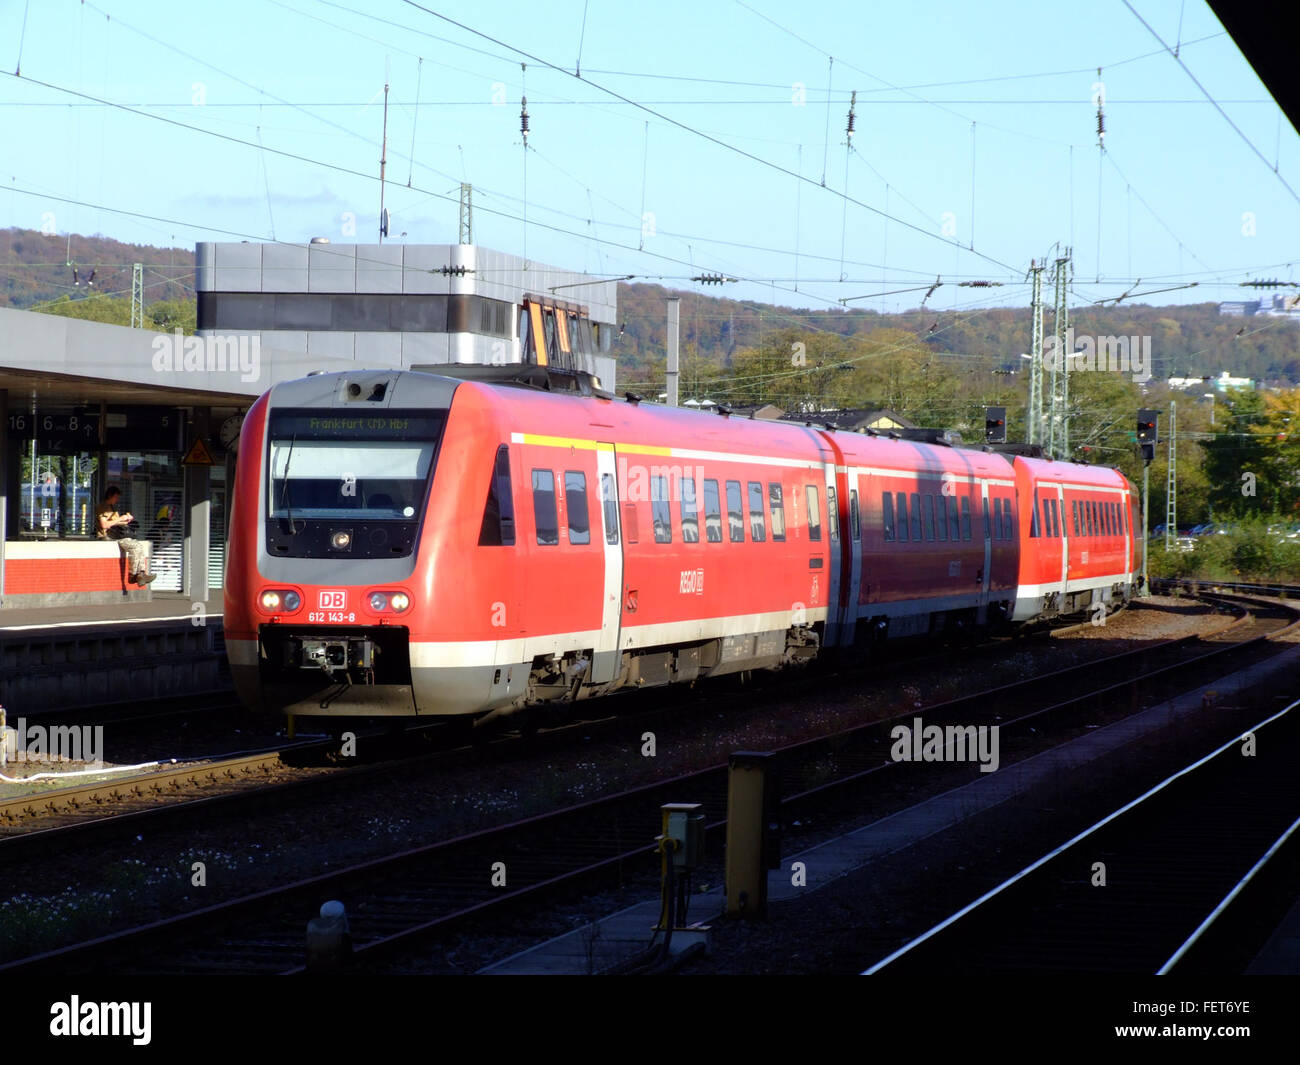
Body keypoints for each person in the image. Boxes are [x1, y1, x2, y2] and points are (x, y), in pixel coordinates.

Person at [96, 486, 156, 585]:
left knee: (139, 546)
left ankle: (141, 573)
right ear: (110, 495)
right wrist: (121, 518)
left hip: (117, 534)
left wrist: (126, 520)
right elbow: (105, 525)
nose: (117, 499)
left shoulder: (112, 508)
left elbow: (114, 523)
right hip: (110, 536)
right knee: (135, 546)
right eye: (116, 497)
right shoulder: (103, 507)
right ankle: (133, 576)